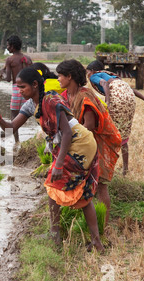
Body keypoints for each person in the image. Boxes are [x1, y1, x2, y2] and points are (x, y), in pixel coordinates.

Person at [0, 67, 104, 252]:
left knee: (55, 187)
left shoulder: (51, 100)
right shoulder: (30, 104)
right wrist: (0, 120)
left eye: (22, 87)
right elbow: (11, 128)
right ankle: (87, 240)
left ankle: (57, 235)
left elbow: (66, 133)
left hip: (79, 144)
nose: (19, 91)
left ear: (35, 85)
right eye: (17, 88)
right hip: (70, 145)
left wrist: (58, 164)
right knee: (76, 194)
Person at [56, 59, 122, 227]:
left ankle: (103, 225)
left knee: (99, 185)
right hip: (81, 143)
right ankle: (86, 223)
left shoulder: (84, 96)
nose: (58, 80)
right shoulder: (66, 96)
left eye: (60, 76)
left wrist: (70, 139)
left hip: (94, 143)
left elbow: (89, 126)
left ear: (69, 77)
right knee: (83, 184)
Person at [86, 60, 144, 176]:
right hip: (129, 100)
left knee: (107, 132)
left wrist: (108, 101)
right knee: (123, 134)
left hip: (117, 100)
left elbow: (104, 84)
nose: (87, 76)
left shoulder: (94, 76)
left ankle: (105, 167)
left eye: (88, 72)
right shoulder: (113, 77)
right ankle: (125, 169)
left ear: (93, 71)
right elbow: (132, 91)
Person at [0, 35, 33, 143]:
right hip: (31, 89)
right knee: (35, 111)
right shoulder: (28, 59)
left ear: (13, 47)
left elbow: (8, 79)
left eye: (8, 46)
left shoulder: (10, 59)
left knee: (14, 115)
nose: (8, 48)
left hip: (17, 90)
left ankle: (16, 141)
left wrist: (2, 73)